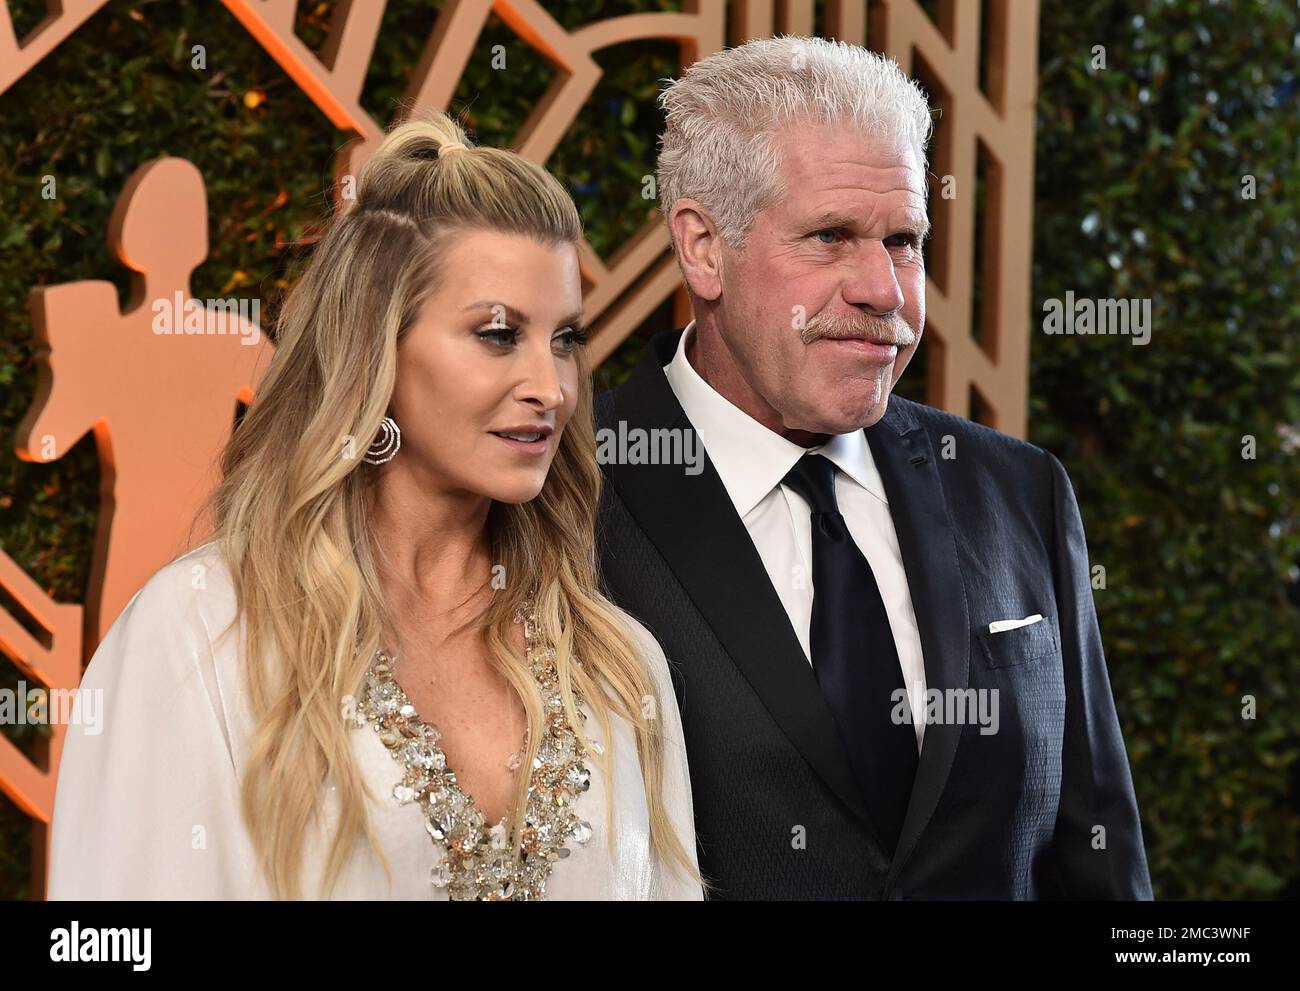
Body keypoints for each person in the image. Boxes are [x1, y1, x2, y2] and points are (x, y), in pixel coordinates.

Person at [47, 112, 702, 901]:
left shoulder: (617, 665)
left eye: (564, 338)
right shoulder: (198, 634)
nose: (551, 387)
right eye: (498, 334)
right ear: (375, 348)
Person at [596, 36, 1153, 899]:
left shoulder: (1018, 491)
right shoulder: (562, 495)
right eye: (831, 236)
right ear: (702, 248)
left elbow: (1098, 861)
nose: (885, 290)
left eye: (903, 240)